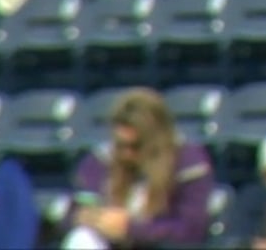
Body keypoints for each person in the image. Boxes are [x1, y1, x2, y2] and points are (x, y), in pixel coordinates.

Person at [68, 87, 215, 248]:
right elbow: (70, 215)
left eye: (135, 146)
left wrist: (130, 228)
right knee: (82, 237)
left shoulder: (188, 161)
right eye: (121, 145)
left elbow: (191, 230)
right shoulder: (101, 161)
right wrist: (88, 217)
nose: (126, 154)